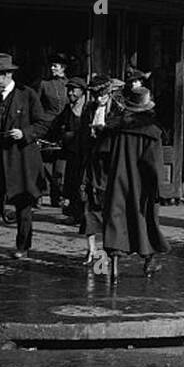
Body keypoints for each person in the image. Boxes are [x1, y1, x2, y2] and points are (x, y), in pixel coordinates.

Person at [0, 53, 47, 262]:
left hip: (21, 161)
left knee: (23, 206)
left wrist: (25, 134)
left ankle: (23, 246)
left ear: (7, 75)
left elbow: (42, 123)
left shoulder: (27, 95)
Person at [101, 86, 169, 281]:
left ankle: (114, 261)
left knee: (117, 216)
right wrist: (159, 189)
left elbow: (102, 154)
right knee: (144, 219)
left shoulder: (115, 127)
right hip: (142, 183)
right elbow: (153, 163)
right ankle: (149, 259)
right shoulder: (152, 132)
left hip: (118, 180)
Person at [76, 75, 117, 266]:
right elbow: (82, 134)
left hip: (109, 164)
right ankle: (91, 249)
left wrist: (105, 130)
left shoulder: (116, 110)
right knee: (89, 206)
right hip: (92, 161)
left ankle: (109, 250)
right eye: (95, 95)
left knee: (109, 206)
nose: (99, 98)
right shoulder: (89, 108)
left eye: (102, 94)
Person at [46, 76, 88, 219]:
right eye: (69, 90)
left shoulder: (88, 107)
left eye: (74, 90)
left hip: (85, 152)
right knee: (71, 182)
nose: (70, 93)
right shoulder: (68, 108)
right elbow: (56, 126)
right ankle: (74, 214)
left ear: (82, 91)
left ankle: (84, 215)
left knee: (82, 183)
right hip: (71, 152)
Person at [35, 54, 70, 208]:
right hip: (47, 126)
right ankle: (41, 193)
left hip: (64, 127)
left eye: (55, 65)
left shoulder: (70, 85)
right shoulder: (44, 84)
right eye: (51, 65)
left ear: (63, 68)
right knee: (44, 162)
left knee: (61, 164)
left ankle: (58, 195)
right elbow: (36, 105)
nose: (52, 68)